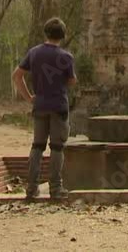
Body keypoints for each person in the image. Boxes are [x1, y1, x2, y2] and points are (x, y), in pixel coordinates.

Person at [11, 17, 77, 199]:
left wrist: (29, 97)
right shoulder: (66, 57)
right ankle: (56, 189)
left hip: (39, 106)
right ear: (63, 35)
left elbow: (17, 76)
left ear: (46, 33)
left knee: (37, 146)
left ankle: (31, 189)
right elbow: (71, 81)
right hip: (59, 107)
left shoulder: (34, 53)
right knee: (57, 148)